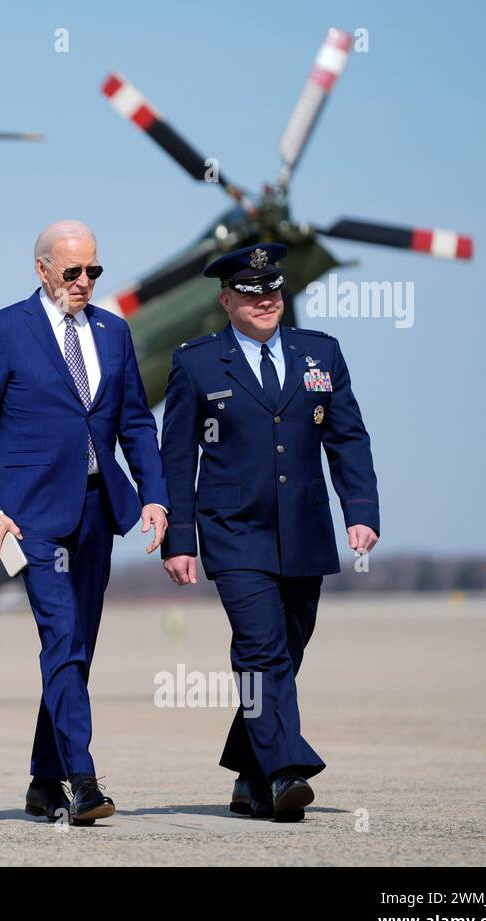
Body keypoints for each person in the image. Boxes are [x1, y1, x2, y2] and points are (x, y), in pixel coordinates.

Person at [0, 219, 169, 825]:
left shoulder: (113, 332)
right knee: (61, 638)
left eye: (93, 271)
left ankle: (41, 780)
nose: (84, 282)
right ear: (42, 269)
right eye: (72, 271)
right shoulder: (4, 330)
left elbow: (135, 423)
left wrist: (155, 496)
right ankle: (82, 780)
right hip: (30, 520)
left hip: (99, 510)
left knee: (78, 646)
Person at [159, 242, 379, 821]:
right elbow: (177, 458)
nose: (266, 302)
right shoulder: (197, 363)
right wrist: (180, 540)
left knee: (287, 649)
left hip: (305, 528)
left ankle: (249, 771)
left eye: (274, 292)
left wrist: (359, 509)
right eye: (252, 295)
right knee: (260, 650)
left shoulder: (321, 354)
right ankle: (284, 772)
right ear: (227, 300)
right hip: (233, 533)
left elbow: (348, 437)